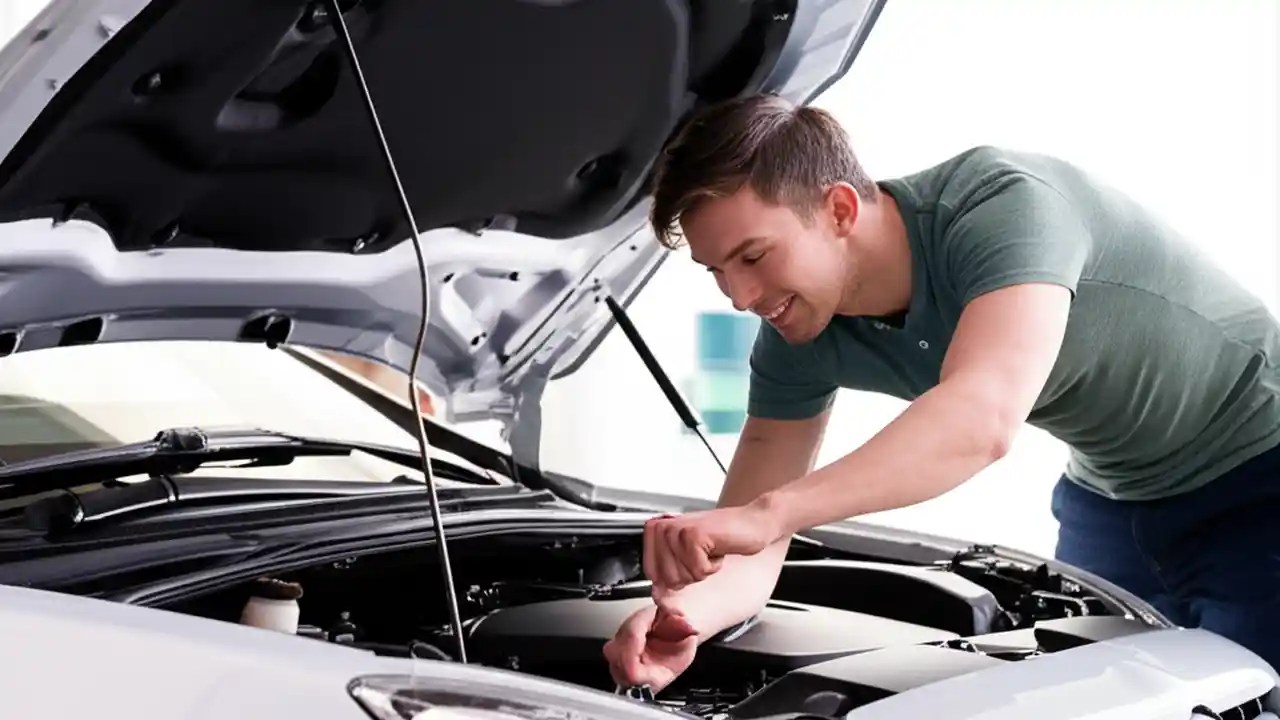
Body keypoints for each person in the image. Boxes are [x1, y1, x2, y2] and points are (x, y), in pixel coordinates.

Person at [602, 93, 1280, 688]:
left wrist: (772, 512)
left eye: (752, 257)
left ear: (838, 208)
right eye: (718, 271)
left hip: (1260, 468)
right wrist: (688, 616)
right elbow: (752, 549)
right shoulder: (796, 333)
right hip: (1113, 496)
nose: (741, 297)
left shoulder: (1002, 207)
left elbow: (980, 418)